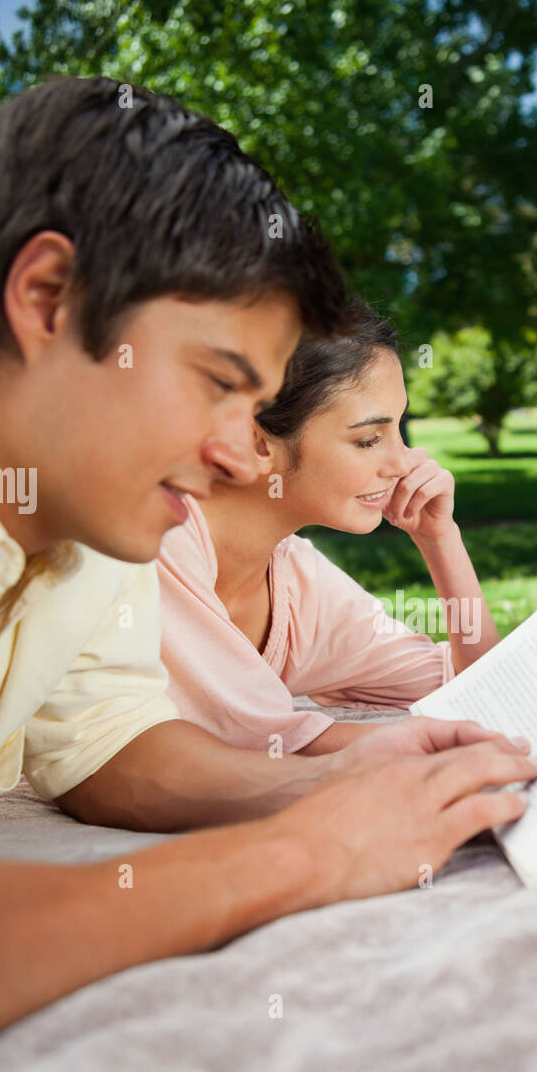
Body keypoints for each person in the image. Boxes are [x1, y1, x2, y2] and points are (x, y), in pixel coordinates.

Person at [0, 76, 537, 1034]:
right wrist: (305, 854)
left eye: (253, 408)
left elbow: (106, 739)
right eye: (216, 381)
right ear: (46, 298)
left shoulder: (100, 535)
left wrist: (342, 787)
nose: (232, 450)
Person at [156, 299, 502, 755]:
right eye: (368, 439)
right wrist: (443, 743)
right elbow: (253, 732)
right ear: (257, 443)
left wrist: (441, 540)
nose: (402, 462)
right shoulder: (161, 539)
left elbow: (485, 691)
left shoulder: (299, 586)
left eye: (399, 428)